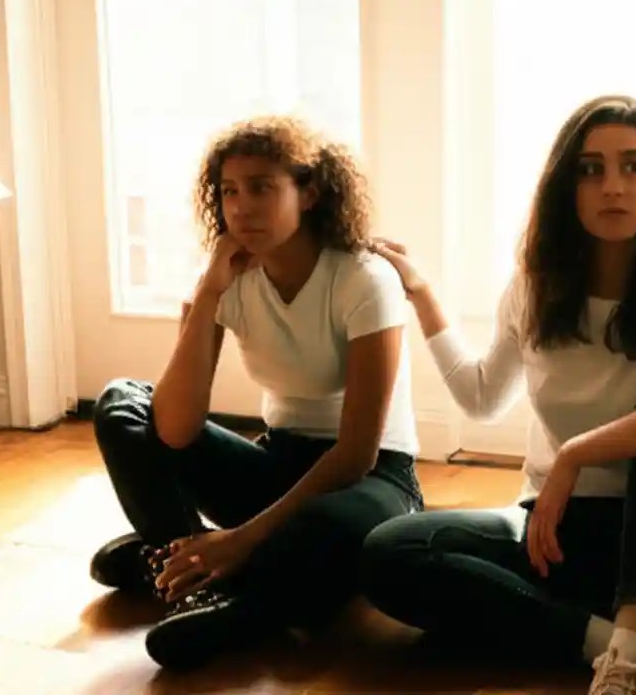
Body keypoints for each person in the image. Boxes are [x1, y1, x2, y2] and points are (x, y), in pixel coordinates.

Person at [360, 95, 636, 694]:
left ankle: (626, 661)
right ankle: (632, 645)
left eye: (633, 166)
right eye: (590, 169)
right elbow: (482, 396)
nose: (612, 187)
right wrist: (421, 295)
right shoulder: (536, 285)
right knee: (390, 552)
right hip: (565, 537)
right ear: (566, 187)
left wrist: (578, 453)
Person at [88, 115, 424, 670]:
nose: (242, 207)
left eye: (263, 187)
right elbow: (174, 428)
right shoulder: (229, 278)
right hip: (278, 463)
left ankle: (196, 571)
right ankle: (194, 567)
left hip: (372, 478)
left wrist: (241, 539)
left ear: (309, 192)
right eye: (229, 191)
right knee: (122, 403)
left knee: (335, 534)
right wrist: (208, 291)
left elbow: (356, 453)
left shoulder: (364, 279)